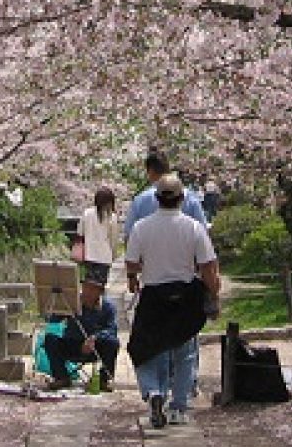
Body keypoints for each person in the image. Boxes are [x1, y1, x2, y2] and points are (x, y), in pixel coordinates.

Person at [125, 174, 220, 429]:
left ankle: (153, 391)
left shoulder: (141, 227)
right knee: (184, 354)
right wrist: (213, 294)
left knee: (146, 349)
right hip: (185, 296)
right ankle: (178, 406)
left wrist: (133, 278)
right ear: (182, 199)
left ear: (157, 199)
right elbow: (208, 266)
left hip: (154, 296)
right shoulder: (193, 227)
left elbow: (131, 262)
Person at [42, 274, 120, 391]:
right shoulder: (72, 302)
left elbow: (112, 329)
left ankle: (103, 379)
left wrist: (95, 337)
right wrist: (54, 306)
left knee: (113, 343)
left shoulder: (108, 307)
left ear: (100, 291)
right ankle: (61, 377)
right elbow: (53, 319)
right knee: (50, 339)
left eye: (92, 289)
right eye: (86, 287)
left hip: (94, 347)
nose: (88, 292)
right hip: (72, 343)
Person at [123, 151, 208, 242]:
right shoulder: (190, 197)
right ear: (168, 168)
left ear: (150, 171)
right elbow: (202, 233)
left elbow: (129, 235)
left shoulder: (140, 200)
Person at [76, 186, 119, 286]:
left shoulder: (87, 213)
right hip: (104, 257)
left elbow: (80, 232)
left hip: (88, 255)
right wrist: (113, 254)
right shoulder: (111, 217)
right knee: (100, 287)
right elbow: (113, 240)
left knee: (88, 285)